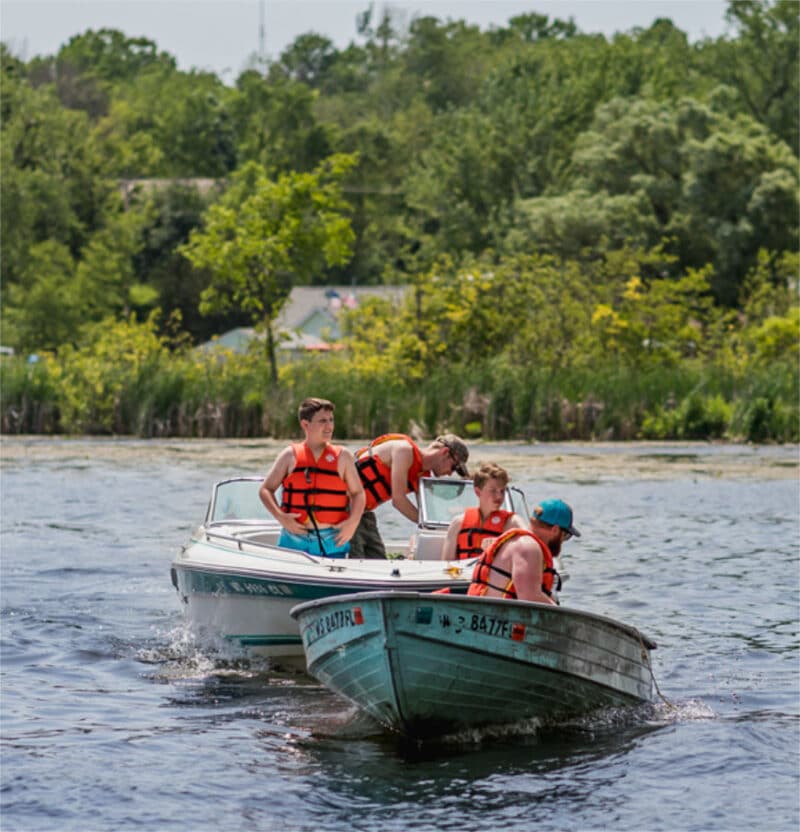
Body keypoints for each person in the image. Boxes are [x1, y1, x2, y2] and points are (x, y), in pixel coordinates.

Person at [258, 397, 365, 558]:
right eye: (322, 421)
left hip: (332, 539)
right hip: (293, 538)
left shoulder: (343, 456)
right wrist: (281, 517)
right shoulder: (289, 455)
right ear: (305, 424)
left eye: (331, 420)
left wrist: (353, 522)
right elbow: (265, 490)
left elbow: (358, 493)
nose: (329, 426)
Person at [349, 433, 470, 559]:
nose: (450, 474)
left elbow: (427, 515)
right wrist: (425, 524)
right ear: (445, 453)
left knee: (379, 560)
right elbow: (398, 500)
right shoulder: (404, 451)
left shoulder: (422, 476)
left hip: (363, 514)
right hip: (345, 511)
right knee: (356, 560)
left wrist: (449, 528)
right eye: (454, 467)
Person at [468, 498, 580, 604]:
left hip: (482, 612)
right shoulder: (528, 547)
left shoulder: (516, 541)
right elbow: (529, 598)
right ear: (555, 530)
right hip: (494, 614)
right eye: (565, 535)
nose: (562, 541)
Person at [441, 462, 527, 560]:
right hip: (463, 570)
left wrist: (501, 544)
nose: (499, 496)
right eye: (493, 490)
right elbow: (446, 563)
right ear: (478, 492)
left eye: (502, 491)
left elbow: (531, 545)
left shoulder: (513, 522)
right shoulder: (457, 523)